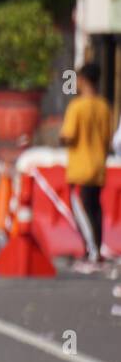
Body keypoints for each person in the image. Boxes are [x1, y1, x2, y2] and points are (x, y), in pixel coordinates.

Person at [60, 62, 112, 272]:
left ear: (82, 80)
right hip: (99, 166)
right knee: (95, 210)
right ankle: (94, 249)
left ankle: (92, 253)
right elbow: (108, 138)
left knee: (82, 211)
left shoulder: (77, 107)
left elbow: (68, 135)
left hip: (80, 168)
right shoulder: (104, 107)